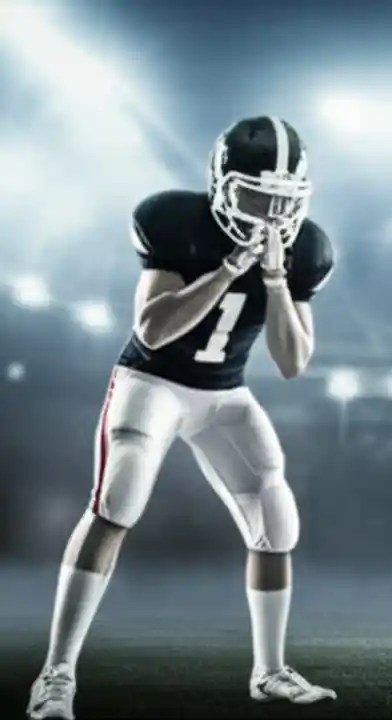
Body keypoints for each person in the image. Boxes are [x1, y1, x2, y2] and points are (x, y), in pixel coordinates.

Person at [28, 116, 337, 720]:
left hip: (223, 392)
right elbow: (152, 329)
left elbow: (294, 361)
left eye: (283, 203)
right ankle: (56, 674)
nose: (270, 217)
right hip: (153, 382)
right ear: (223, 186)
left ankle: (269, 671)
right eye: (256, 197)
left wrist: (272, 278)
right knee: (118, 501)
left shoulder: (306, 251)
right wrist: (226, 269)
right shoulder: (178, 224)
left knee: (276, 520)